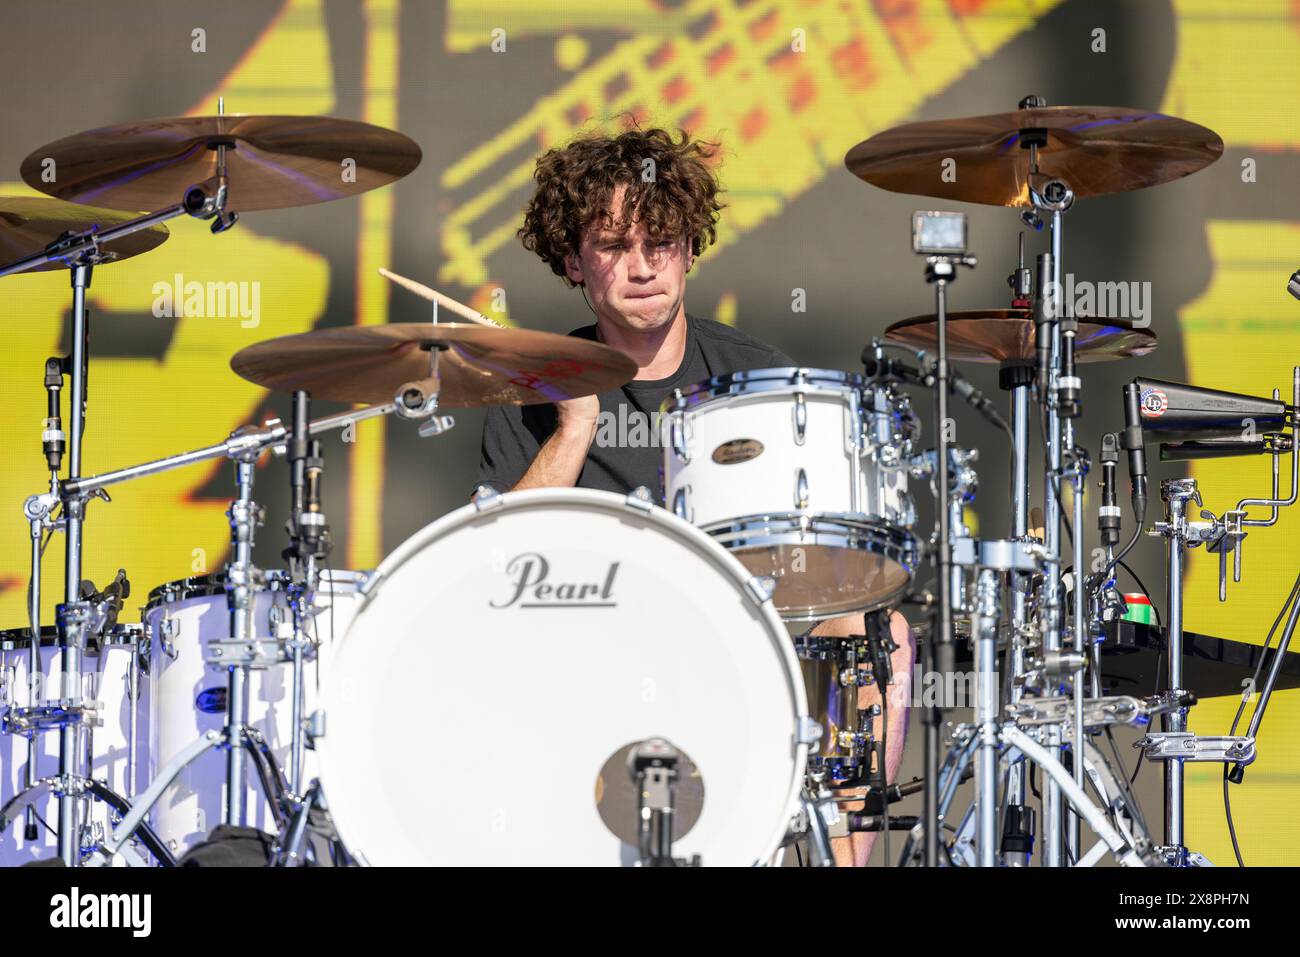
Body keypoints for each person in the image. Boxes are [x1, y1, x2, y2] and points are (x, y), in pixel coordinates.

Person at [476, 125, 913, 866]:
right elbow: (496, 567)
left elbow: (817, 560)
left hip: (744, 636)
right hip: (591, 646)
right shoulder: (535, 390)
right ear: (573, 261)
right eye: (613, 245)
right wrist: (574, 425)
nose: (641, 266)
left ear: (689, 249)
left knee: (882, 635)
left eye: (661, 241)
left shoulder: (755, 372)